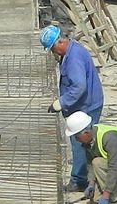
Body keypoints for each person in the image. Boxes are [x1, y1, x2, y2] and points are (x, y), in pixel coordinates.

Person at [43, 25, 103, 194]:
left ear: (59, 42)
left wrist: (61, 103)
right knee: (84, 143)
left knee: (80, 142)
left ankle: (79, 181)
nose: (52, 53)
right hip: (85, 103)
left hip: (86, 106)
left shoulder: (74, 58)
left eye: (52, 49)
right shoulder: (71, 50)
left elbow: (78, 86)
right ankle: (88, 177)